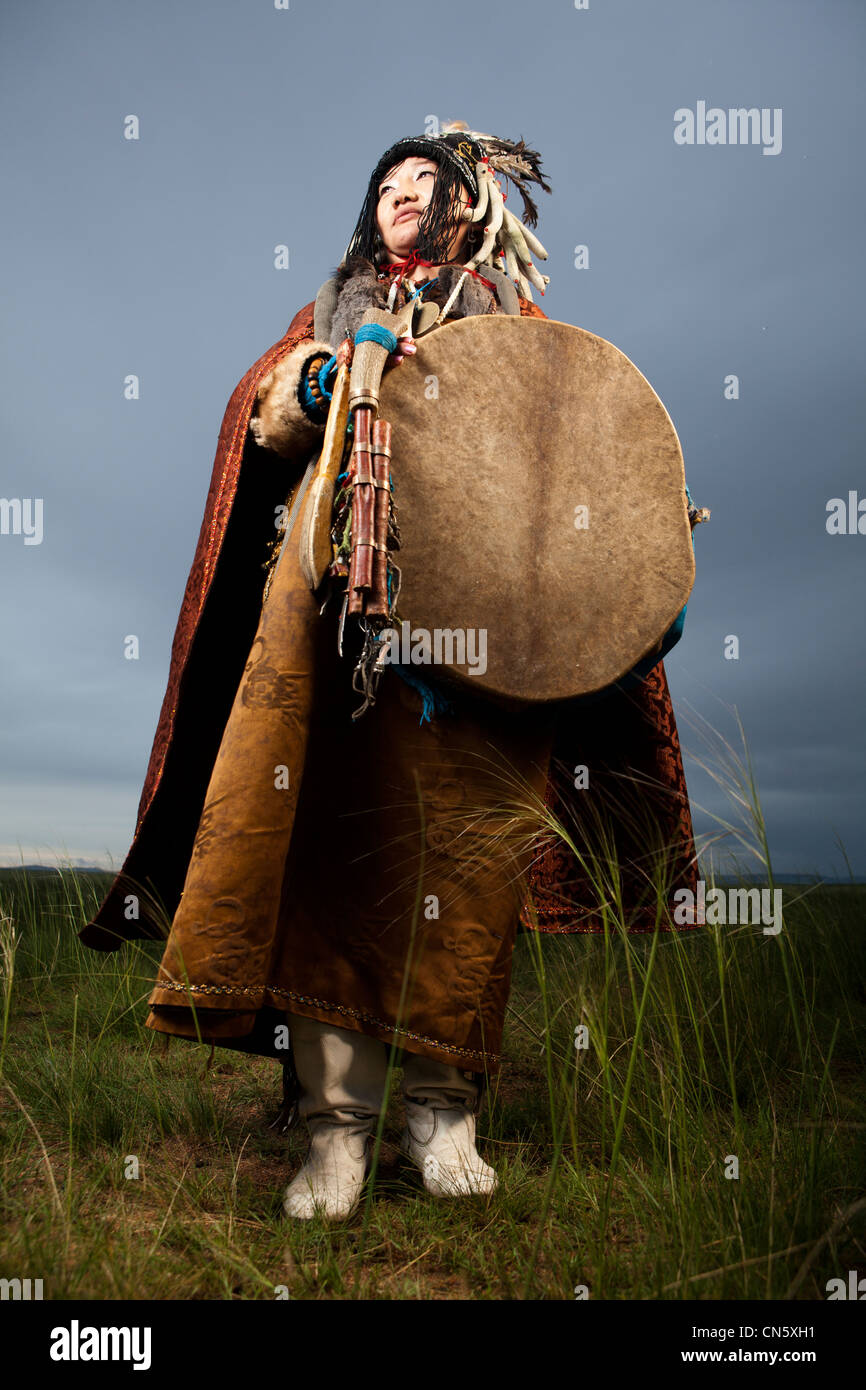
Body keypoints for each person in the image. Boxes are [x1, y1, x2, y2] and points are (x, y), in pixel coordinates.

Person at [80, 123, 700, 1222]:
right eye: (389, 181)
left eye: (430, 181)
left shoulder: (516, 326)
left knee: (465, 873)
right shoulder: (323, 317)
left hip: (484, 656)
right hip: (333, 633)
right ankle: (335, 1129)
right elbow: (259, 421)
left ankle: (440, 1112)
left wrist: (629, 569)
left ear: (471, 209)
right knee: (330, 853)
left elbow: (579, 468)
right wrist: (318, 378)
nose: (405, 193)